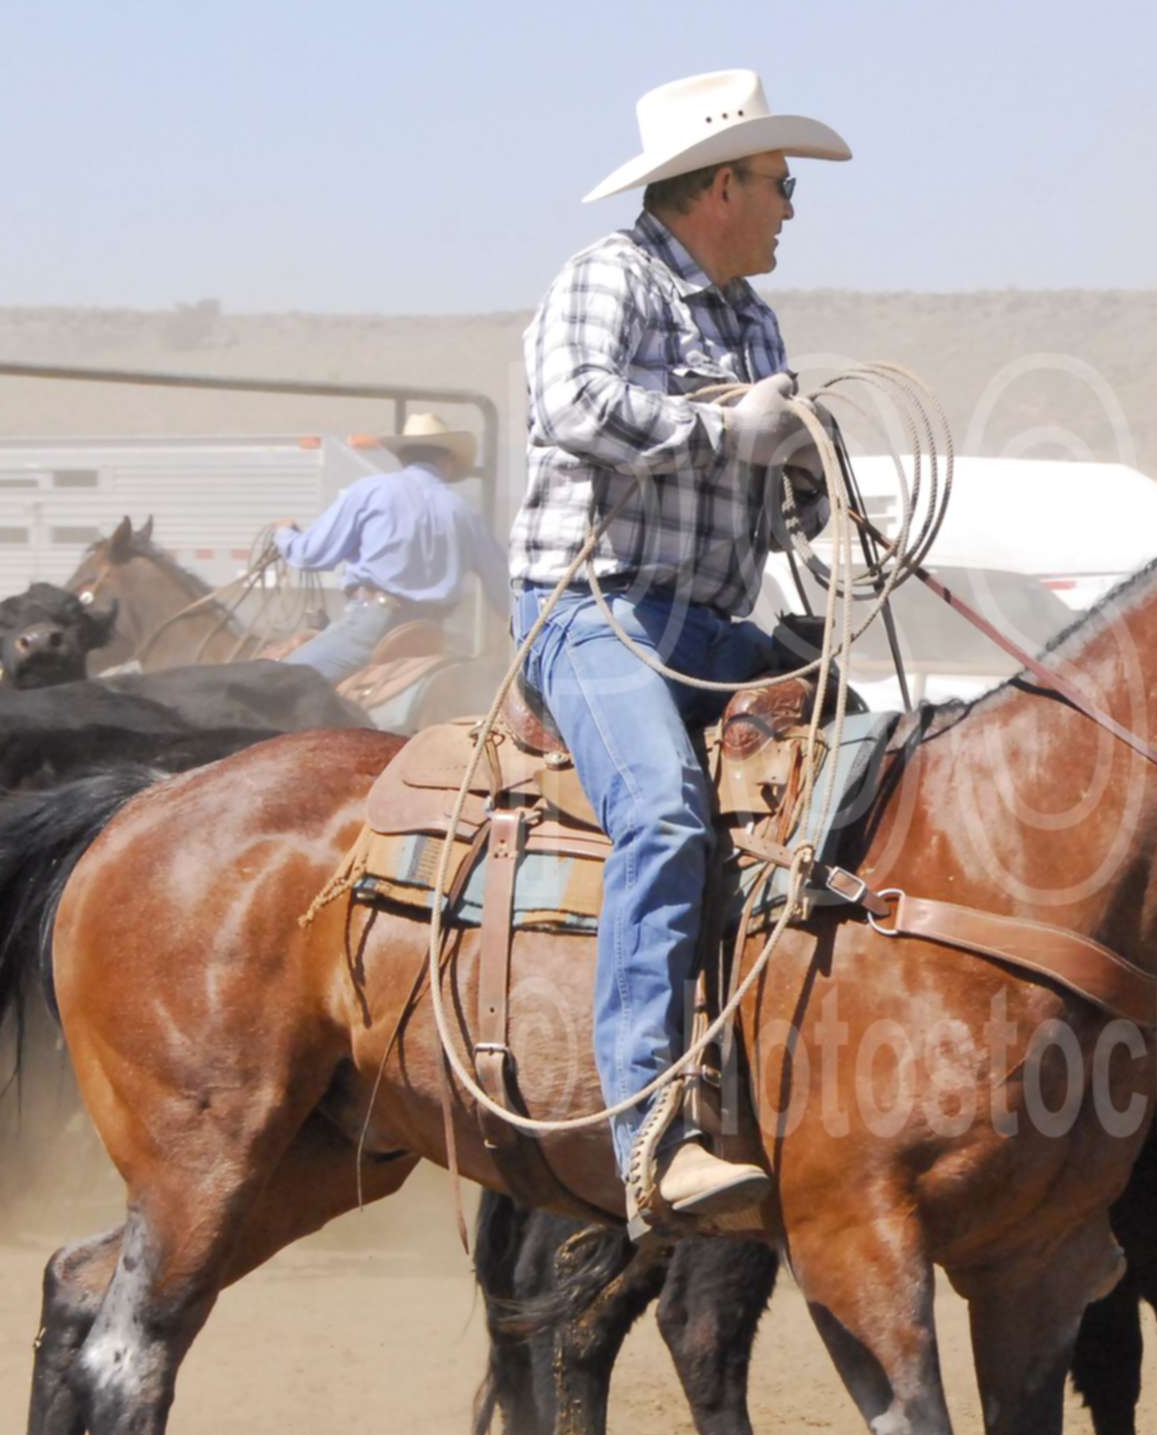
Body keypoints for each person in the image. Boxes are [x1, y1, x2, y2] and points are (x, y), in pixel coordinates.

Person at [510, 69, 847, 1231]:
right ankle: (648, 1129)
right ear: (720, 186)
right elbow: (571, 403)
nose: (791, 207)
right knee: (661, 812)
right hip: (593, 610)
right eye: (781, 184)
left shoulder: (753, 320)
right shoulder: (611, 275)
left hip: (706, 624)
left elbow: (771, 488)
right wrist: (724, 427)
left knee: (870, 750)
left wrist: (806, 470)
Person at [271, 413, 501, 682]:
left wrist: (285, 534)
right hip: (432, 634)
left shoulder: (371, 492)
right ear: (446, 461)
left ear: (402, 456)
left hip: (373, 627)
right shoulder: (465, 512)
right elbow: (503, 589)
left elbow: (310, 555)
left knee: (277, 683)